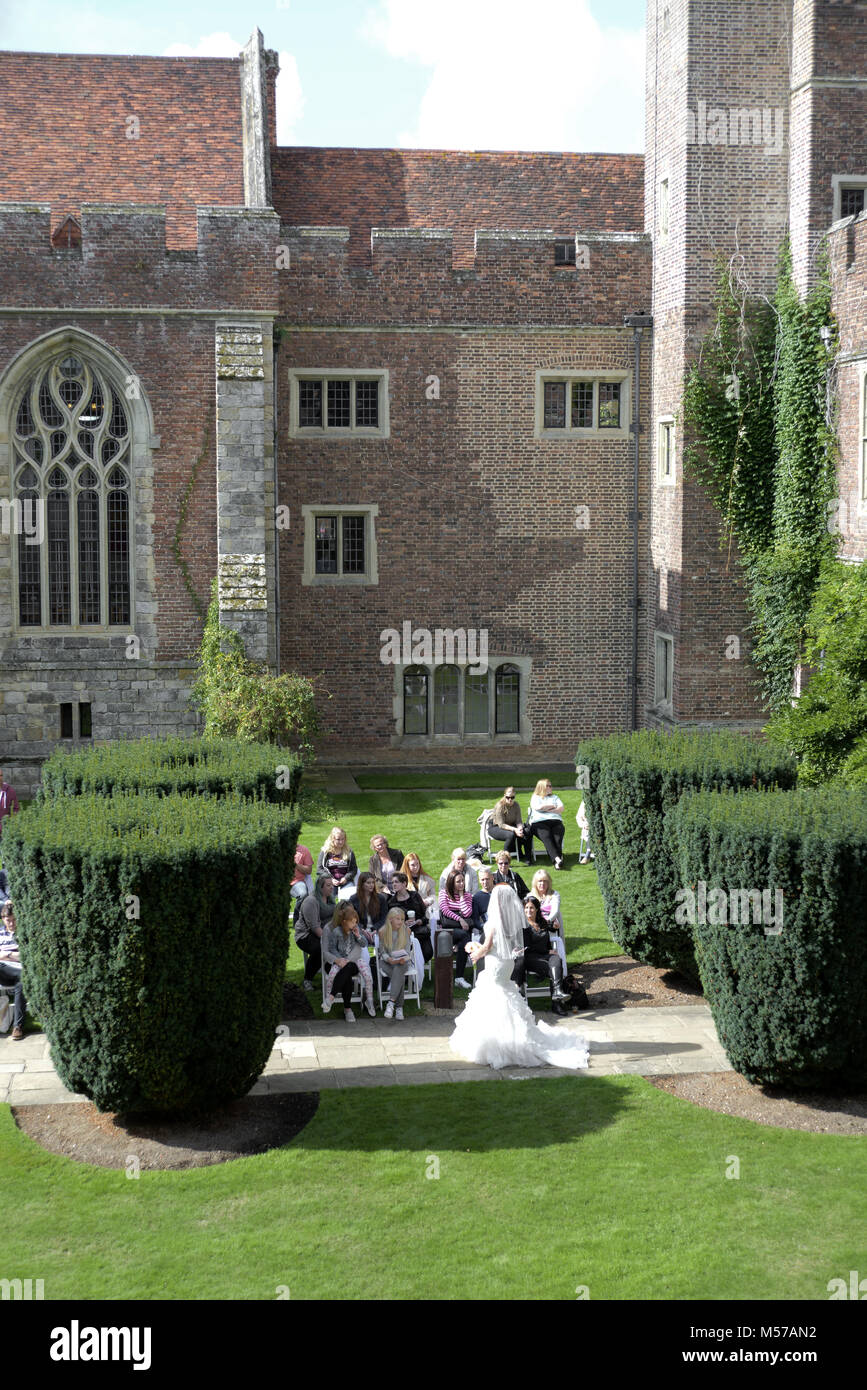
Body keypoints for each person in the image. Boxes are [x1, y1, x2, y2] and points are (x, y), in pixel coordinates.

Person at [449, 885, 589, 1070]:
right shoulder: (513, 923)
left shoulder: (493, 923)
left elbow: (487, 947)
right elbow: (510, 947)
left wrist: (471, 948)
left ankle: (498, 1044)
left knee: (493, 998)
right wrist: (479, 948)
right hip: (507, 964)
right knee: (504, 995)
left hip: (496, 965)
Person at [511, 895, 572, 1016]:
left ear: (537, 909)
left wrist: (555, 925)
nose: (529, 911)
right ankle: (557, 999)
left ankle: (557, 995)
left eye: (532, 908)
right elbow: (526, 947)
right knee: (552, 962)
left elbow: (551, 928)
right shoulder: (522, 925)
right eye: (526, 908)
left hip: (544, 957)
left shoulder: (542, 923)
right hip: (529, 959)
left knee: (556, 960)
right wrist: (546, 951)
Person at [322, 902, 376, 1021]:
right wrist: (337, 960)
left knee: (348, 967)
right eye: (350, 917)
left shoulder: (355, 928)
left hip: (352, 961)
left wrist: (358, 936)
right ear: (342, 917)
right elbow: (327, 951)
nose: (354, 921)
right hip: (334, 961)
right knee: (345, 972)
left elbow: (361, 946)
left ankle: (331, 999)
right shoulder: (330, 929)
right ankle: (347, 1009)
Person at [294, 873, 336, 991]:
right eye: (328, 885)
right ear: (320, 887)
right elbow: (314, 927)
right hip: (305, 935)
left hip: (323, 932)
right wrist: (329, 940)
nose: (332, 888)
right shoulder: (311, 901)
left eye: (332, 885)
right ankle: (307, 980)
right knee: (321, 949)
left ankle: (333, 976)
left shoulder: (330, 899)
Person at [437, 868, 475, 989]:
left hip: (461, 932)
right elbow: (445, 910)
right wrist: (460, 919)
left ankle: (459, 977)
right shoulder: (444, 893)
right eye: (458, 881)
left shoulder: (468, 895)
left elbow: (467, 912)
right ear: (452, 882)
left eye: (463, 881)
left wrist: (462, 896)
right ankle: (459, 977)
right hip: (447, 930)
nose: (461, 884)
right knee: (465, 936)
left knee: (464, 940)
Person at [378, 907, 416, 1020]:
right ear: (390, 920)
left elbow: (408, 952)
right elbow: (382, 952)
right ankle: (399, 1008)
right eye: (398, 919)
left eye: (402, 919)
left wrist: (404, 958)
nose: (400, 921)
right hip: (387, 962)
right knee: (398, 976)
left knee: (399, 969)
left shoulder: (405, 930)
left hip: (402, 962)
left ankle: (391, 1003)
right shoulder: (383, 932)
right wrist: (389, 959)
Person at [387, 872, 430, 962]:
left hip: (420, 930)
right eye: (392, 882)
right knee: (409, 954)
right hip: (403, 933)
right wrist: (403, 923)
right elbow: (390, 922)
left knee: (428, 953)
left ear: (404, 883)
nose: (394, 884)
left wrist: (420, 921)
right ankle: (411, 967)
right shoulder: (392, 902)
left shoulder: (415, 896)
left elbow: (426, 915)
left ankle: (415, 967)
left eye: (396, 882)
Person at [526, 779, 566, 869]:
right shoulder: (535, 797)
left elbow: (561, 808)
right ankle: (558, 859)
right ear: (542, 787)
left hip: (555, 821)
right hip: (539, 823)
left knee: (557, 838)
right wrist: (552, 806)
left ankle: (557, 862)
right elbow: (538, 807)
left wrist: (546, 809)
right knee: (547, 836)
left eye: (550, 786)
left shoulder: (555, 797)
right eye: (548, 786)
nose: (550, 787)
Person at [0, 901, 26, 1041]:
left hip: (18, 971)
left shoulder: (23, 932)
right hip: (2, 970)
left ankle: (18, 1027)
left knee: (22, 981)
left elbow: (25, 955)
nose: (11, 923)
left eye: (14, 920)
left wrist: (6, 955)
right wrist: (14, 955)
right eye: (8, 920)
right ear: (3, 919)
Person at [488, 786, 531, 863]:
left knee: (526, 831)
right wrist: (515, 829)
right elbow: (501, 825)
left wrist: (520, 828)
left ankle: (528, 859)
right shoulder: (500, 806)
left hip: (511, 825)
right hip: (495, 827)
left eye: (512, 797)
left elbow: (518, 821)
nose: (510, 799)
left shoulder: (516, 805)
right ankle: (504, 859)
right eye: (508, 797)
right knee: (511, 835)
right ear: (504, 796)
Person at [317, 827, 358, 895]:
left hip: (345, 881)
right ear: (332, 839)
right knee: (331, 900)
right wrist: (331, 879)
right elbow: (319, 869)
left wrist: (346, 878)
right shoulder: (325, 852)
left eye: (343, 839)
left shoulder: (349, 852)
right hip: (329, 881)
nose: (341, 842)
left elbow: (354, 869)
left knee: (348, 899)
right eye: (338, 839)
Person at [349, 872, 389, 940]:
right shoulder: (354, 899)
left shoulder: (380, 898)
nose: (371, 885)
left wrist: (375, 929)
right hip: (360, 930)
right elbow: (352, 918)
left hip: (377, 929)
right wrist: (362, 930)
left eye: (373, 882)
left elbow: (384, 917)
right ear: (362, 884)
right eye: (368, 883)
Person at [400, 853, 437, 921]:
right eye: (412, 865)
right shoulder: (402, 880)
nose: (416, 867)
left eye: (417, 864)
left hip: (425, 910)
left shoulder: (427, 879)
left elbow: (433, 896)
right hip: (409, 912)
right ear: (407, 866)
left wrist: (427, 901)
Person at [0, 770, 20, 843]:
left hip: (5, 828)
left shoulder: (10, 791)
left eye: (1, 775)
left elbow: (16, 809)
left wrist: (11, 823)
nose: (0, 778)